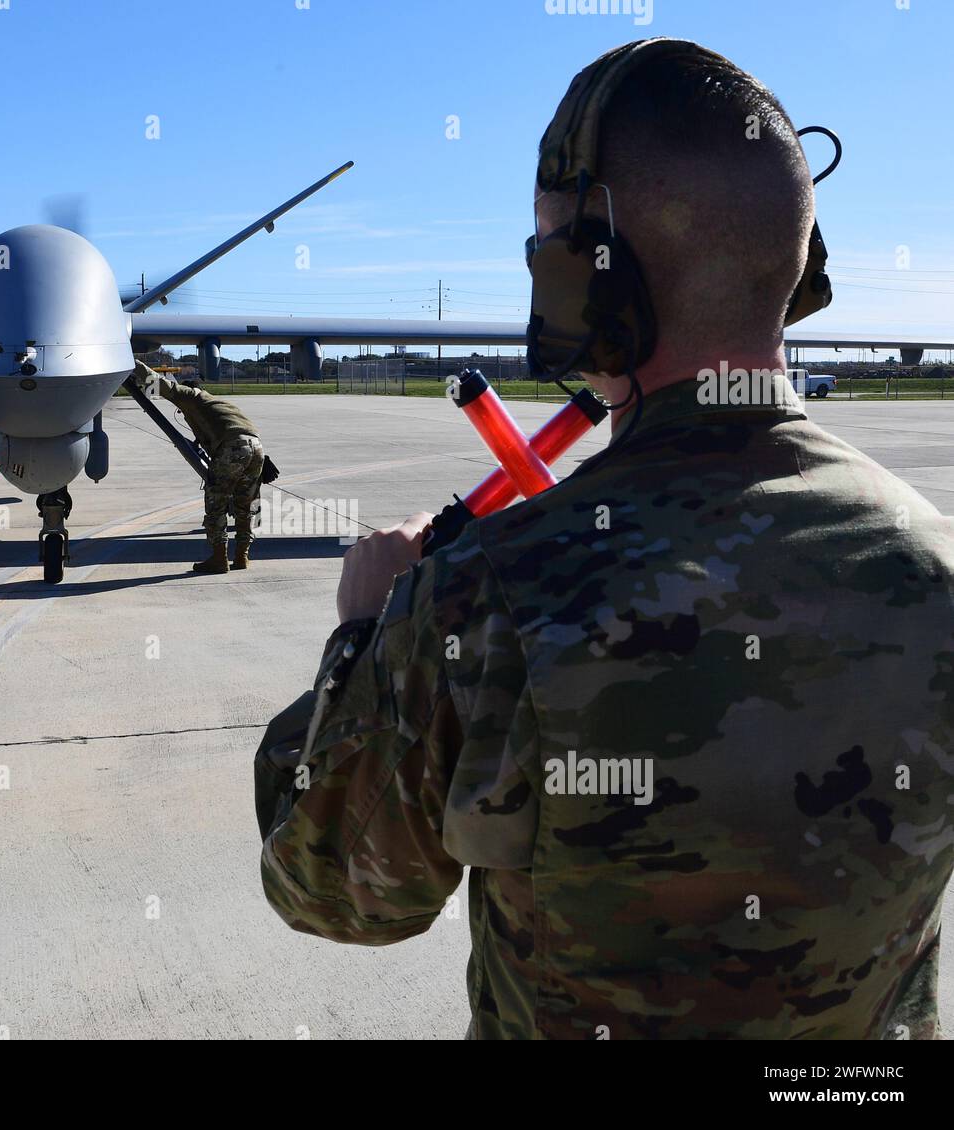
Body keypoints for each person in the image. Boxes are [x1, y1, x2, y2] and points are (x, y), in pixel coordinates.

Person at [254, 41, 954, 1039]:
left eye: (547, 249)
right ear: (796, 266)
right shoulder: (936, 567)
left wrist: (362, 637)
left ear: (595, 282)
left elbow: (331, 889)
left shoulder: (487, 594)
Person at [135, 361, 264, 573]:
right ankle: (242, 557)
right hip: (256, 447)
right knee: (245, 506)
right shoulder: (219, 404)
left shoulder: (193, 396)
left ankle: (219, 559)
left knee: (216, 503)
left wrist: (134, 364)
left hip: (233, 447)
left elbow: (161, 385)